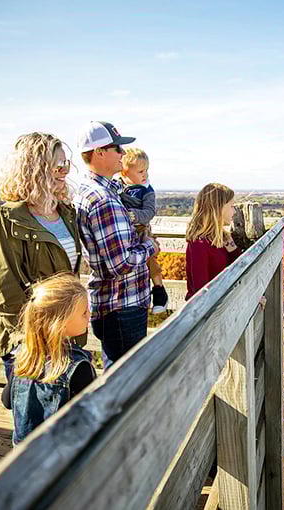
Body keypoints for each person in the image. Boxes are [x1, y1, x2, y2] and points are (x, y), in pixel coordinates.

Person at [0, 132, 85, 380]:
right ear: (35, 168)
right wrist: (30, 343)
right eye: (58, 164)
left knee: (68, 415)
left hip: (65, 335)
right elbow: (7, 289)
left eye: (67, 164)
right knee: (33, 417)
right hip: (32, 344)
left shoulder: (66, 213)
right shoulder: (8, 218)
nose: (65, 170)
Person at [74, 121, 160, 369]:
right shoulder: (104, 200)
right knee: (124, 383)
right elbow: (120, 264)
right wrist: (150, 247)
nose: (123, 154)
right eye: (117, 149)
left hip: (113, 305)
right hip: (123, 305)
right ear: (99, 153)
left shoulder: (91, 190)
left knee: (118, 378)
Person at [1, 273, 96, 445]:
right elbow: (91, 415)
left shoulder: (22, 358)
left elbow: (7, 401)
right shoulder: (78, 367)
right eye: (84, 312)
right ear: (60, 322)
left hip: (22, 454)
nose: (89, 315)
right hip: (60, 454)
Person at [118, 148, 169, 313]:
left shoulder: (146, 190)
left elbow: (149, 212)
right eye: (140, 171)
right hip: (124, 233)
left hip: (141, 230)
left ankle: (159, 290)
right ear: (125, 172)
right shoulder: (117, 186)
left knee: (150, 259)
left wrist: (132, 215)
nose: (144, 174)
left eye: (146, 170)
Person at [185, 183, 241, 300]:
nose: (234, 211)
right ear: (219, 208)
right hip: (206, 312)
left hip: (221, 304)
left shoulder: (221, 238)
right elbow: (201, 292)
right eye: (231, 206)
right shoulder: (199, 245)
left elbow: (238, 264)